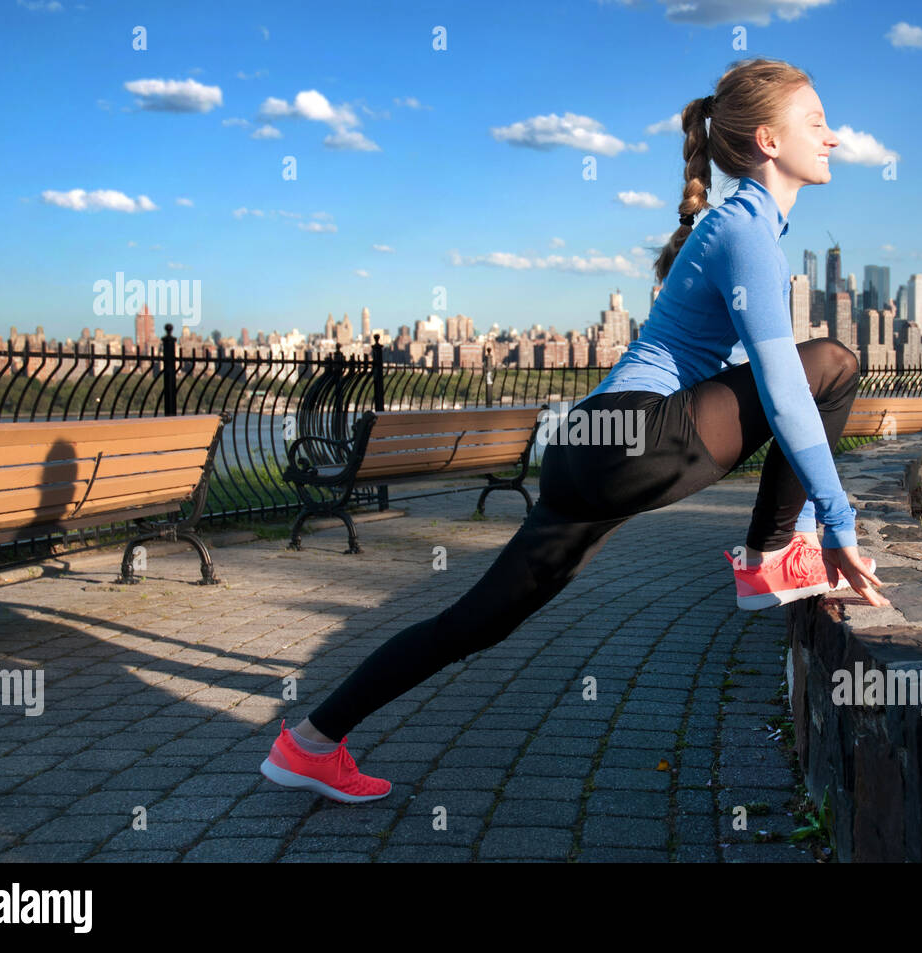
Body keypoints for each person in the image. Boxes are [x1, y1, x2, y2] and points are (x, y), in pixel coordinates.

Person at [259, 57, 889, 804]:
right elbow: (787, 389)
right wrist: (836, 519)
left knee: (472, 622)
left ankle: (310, 742)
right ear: (768, 139)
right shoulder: (745, 224)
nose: (835, 137)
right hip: (622, 437)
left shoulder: (737, 227)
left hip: (590, 449)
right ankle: (771, 556)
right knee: (831, 364)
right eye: (816, 122)